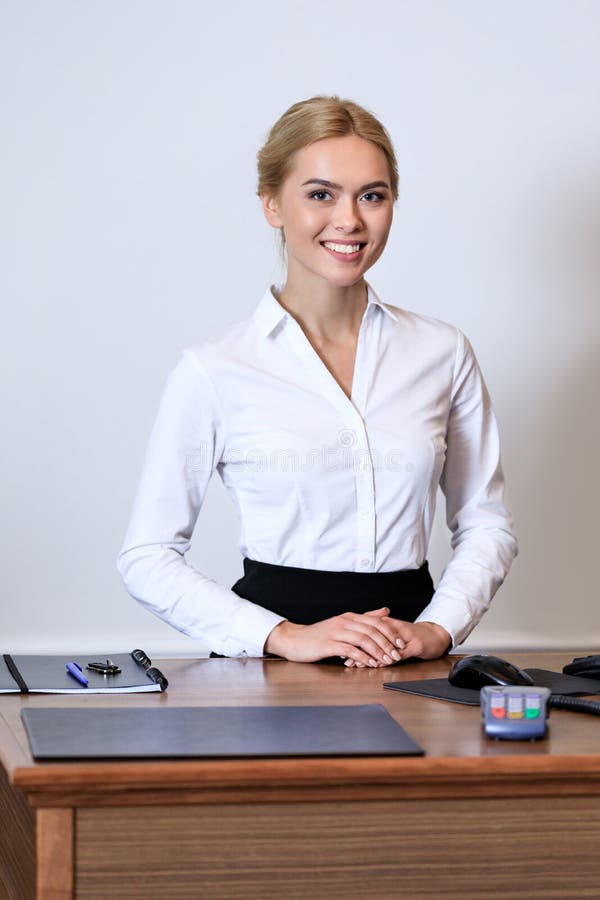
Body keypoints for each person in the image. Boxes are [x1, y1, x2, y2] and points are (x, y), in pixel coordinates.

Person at [117, 95, 517, 669]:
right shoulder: (214, 369)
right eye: (321, 194)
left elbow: (486, 523)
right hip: (270, 671)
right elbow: (147, 555)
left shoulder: (443, 352)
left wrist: (439, 629)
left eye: (372, 196)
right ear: (272, 205)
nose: (349, 219)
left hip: (410, 664)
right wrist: (286, 636)